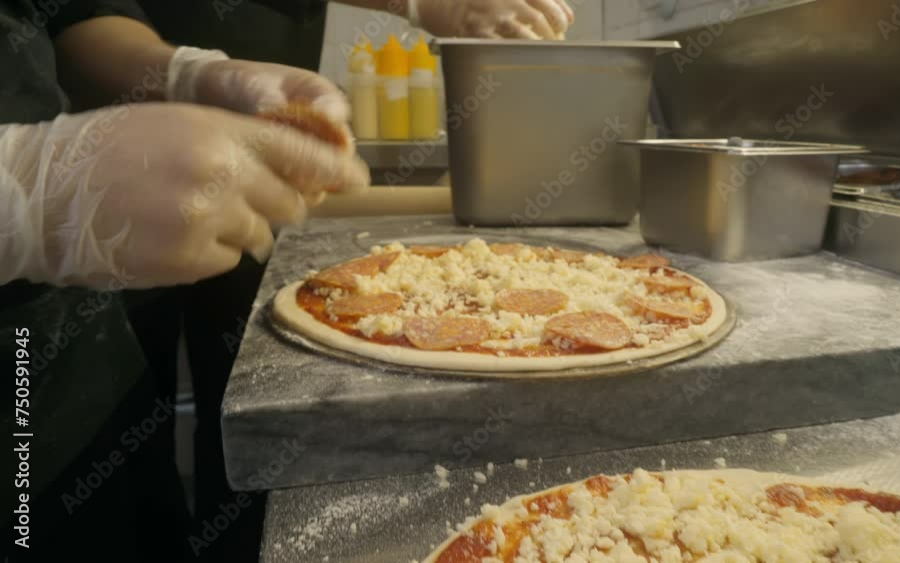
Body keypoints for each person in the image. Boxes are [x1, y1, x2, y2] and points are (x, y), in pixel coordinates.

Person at [1, 1, 573, 561]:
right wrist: (21, 190)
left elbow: (70, 14)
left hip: (69, 339)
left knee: (131, 517)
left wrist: (194, 74)